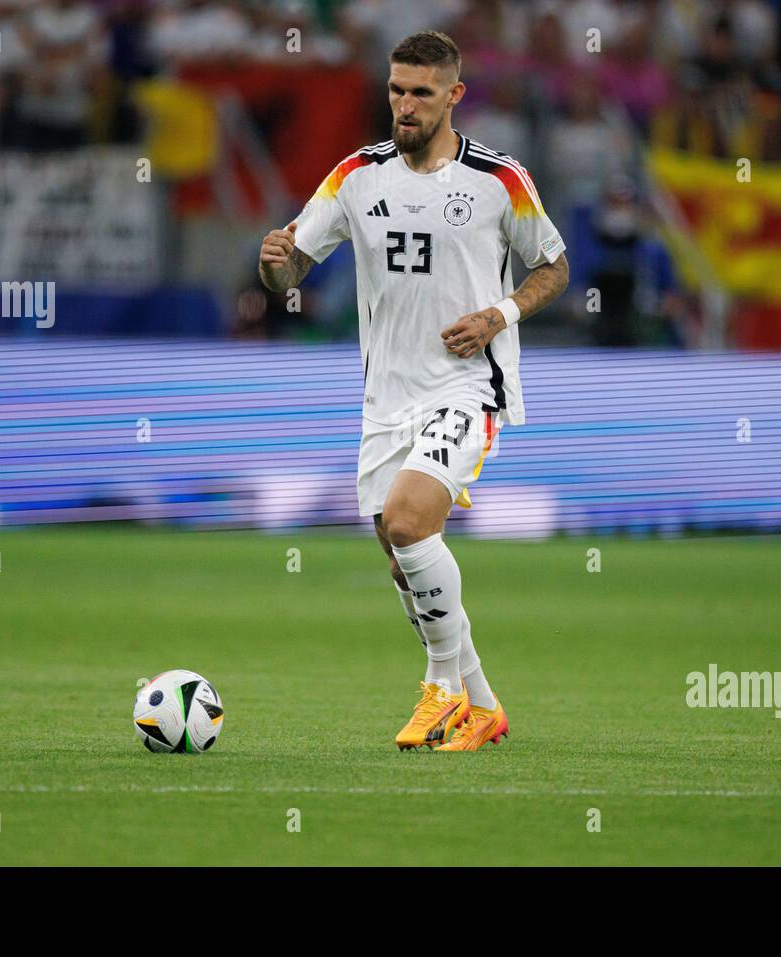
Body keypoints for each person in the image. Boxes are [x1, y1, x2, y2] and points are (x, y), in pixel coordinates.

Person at [257, 30, 569, 751]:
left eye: (421, 93)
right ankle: (484, 704)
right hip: (384, 399)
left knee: (407, 521)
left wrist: (501, 313)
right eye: (396, 90)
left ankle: (441, 686)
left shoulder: (498, 179)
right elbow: (289, 272)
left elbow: (553, 266)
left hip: (466, 386)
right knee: (401, 556)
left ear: (454, 96)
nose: (405, 104)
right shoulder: (355, 176)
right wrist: (274, 263)